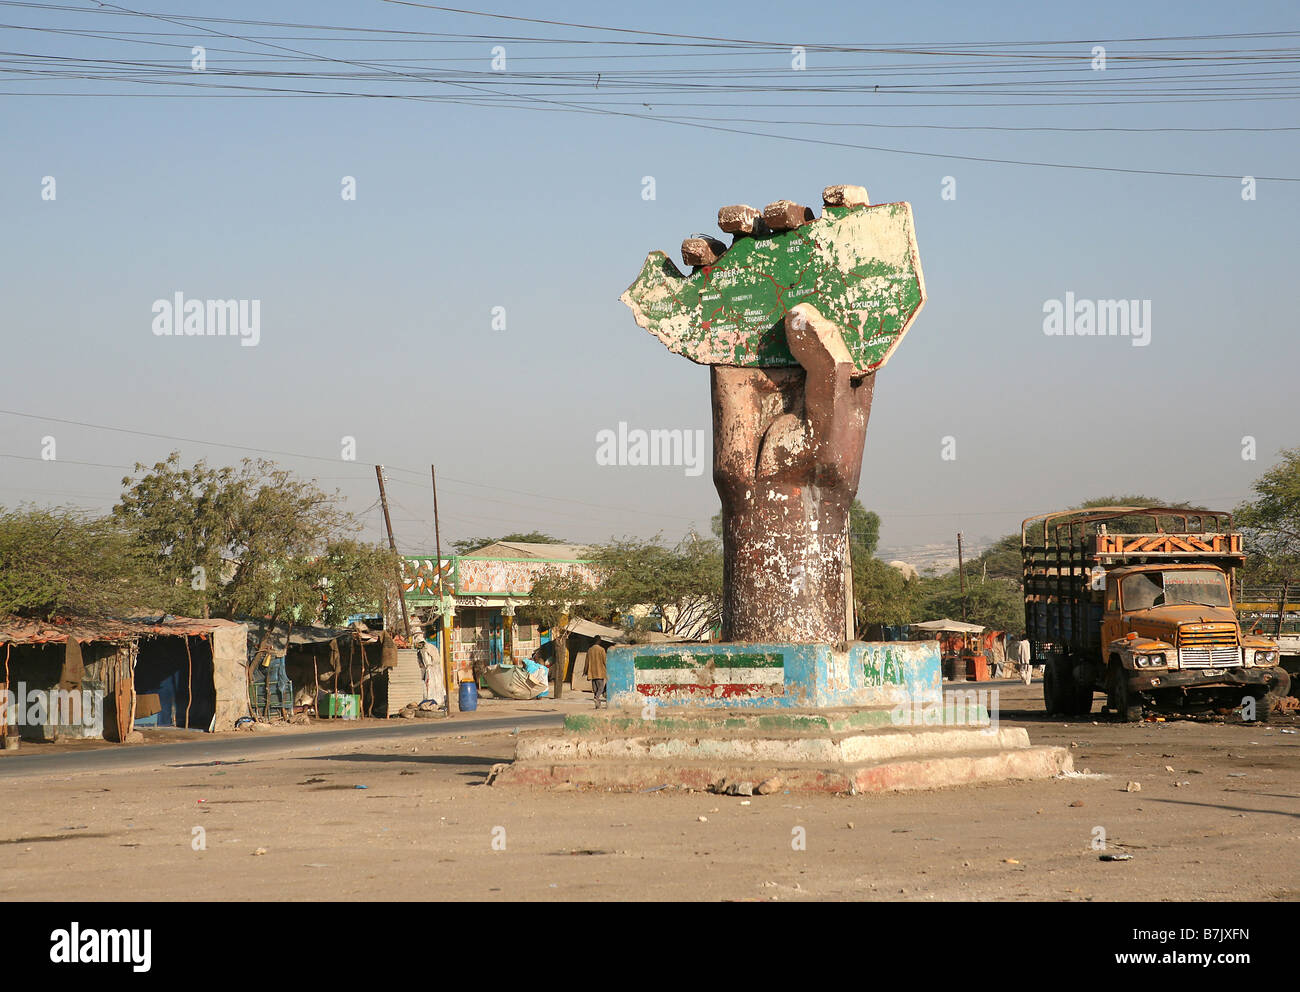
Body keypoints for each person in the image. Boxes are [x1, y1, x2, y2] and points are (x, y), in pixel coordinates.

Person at [585, 638, 608, 709]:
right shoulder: (601, 650)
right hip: (600, 671)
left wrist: (585, 671)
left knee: (595, 689)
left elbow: (586, 661)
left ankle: (597, 705)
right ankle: (597, 697)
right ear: (598, 641)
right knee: (601, 687)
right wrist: (608, 668)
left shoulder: (590, 650)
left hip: (592, 672)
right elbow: (605, 660)